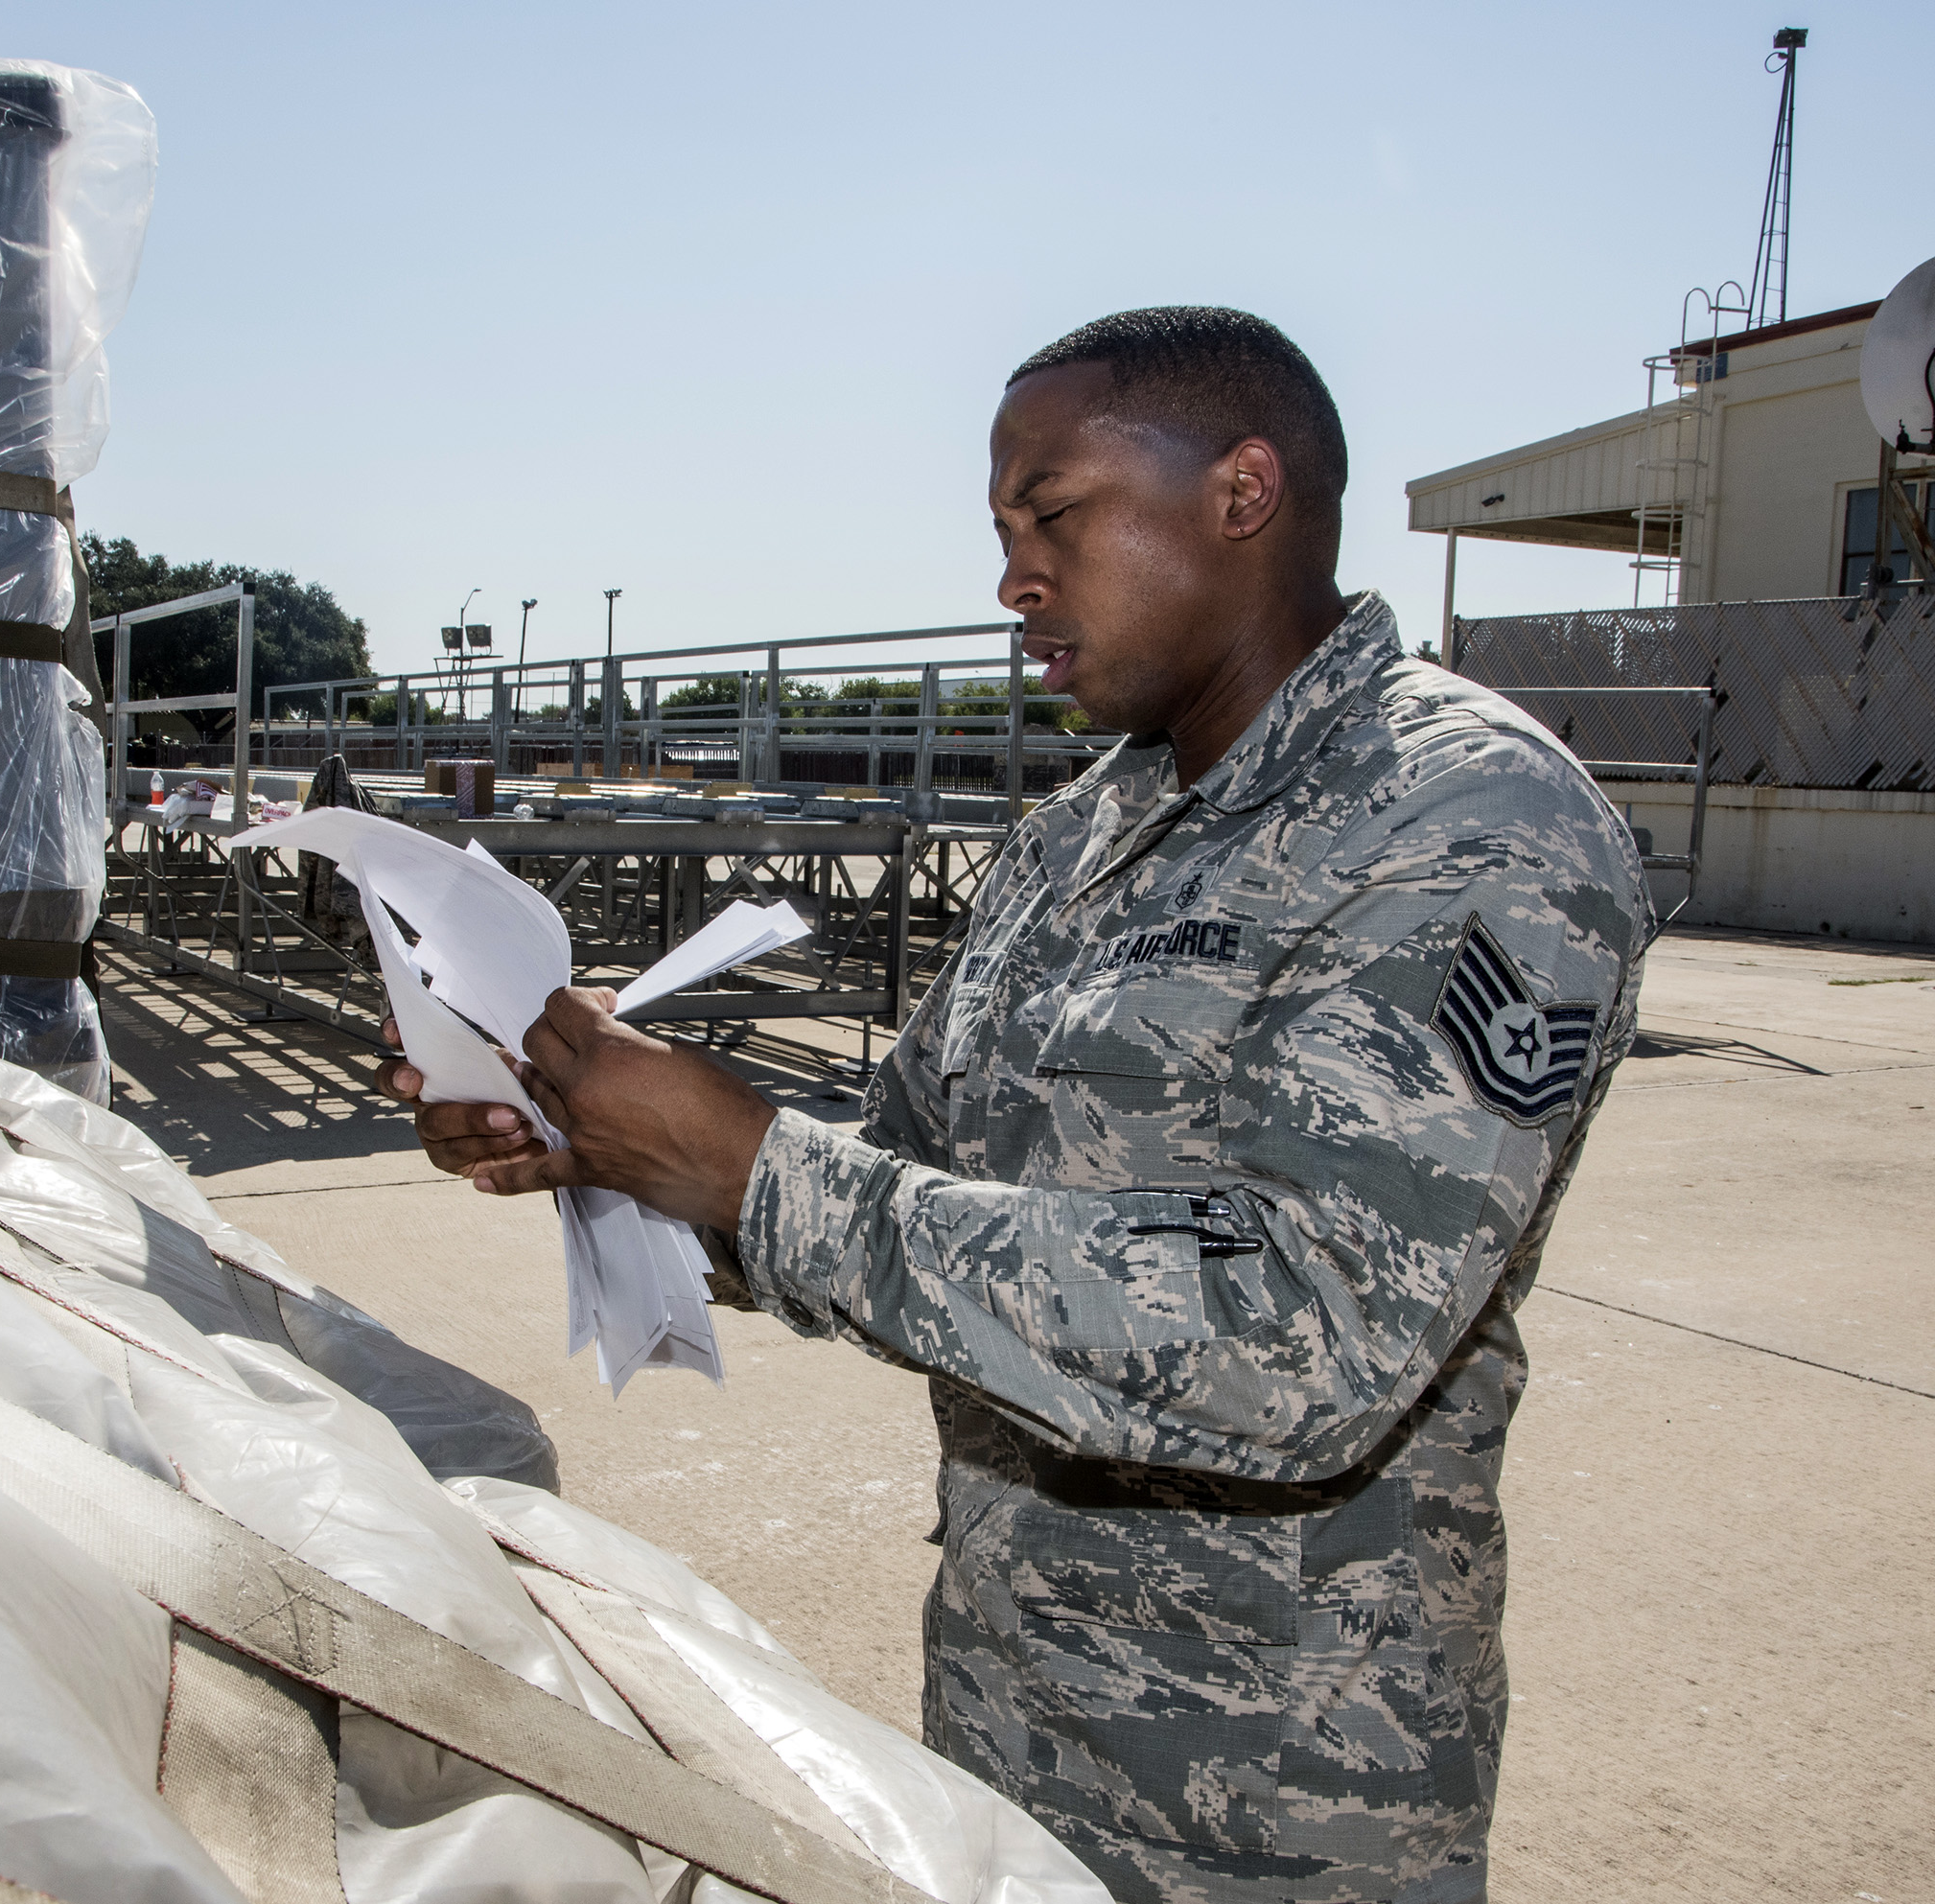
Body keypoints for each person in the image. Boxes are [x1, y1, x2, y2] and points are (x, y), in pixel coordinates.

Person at [378, 308, 1652, 1903]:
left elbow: (1306, 1336)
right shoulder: (1078, 835)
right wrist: (603, 1140)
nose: (1012, 579)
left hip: (1286, 1807)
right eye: (1000, 531)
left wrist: (759, 1171)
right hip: (1006, 1750)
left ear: (1242, 492)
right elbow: (902, 1185)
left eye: (1052, 517)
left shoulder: (1470, 816)